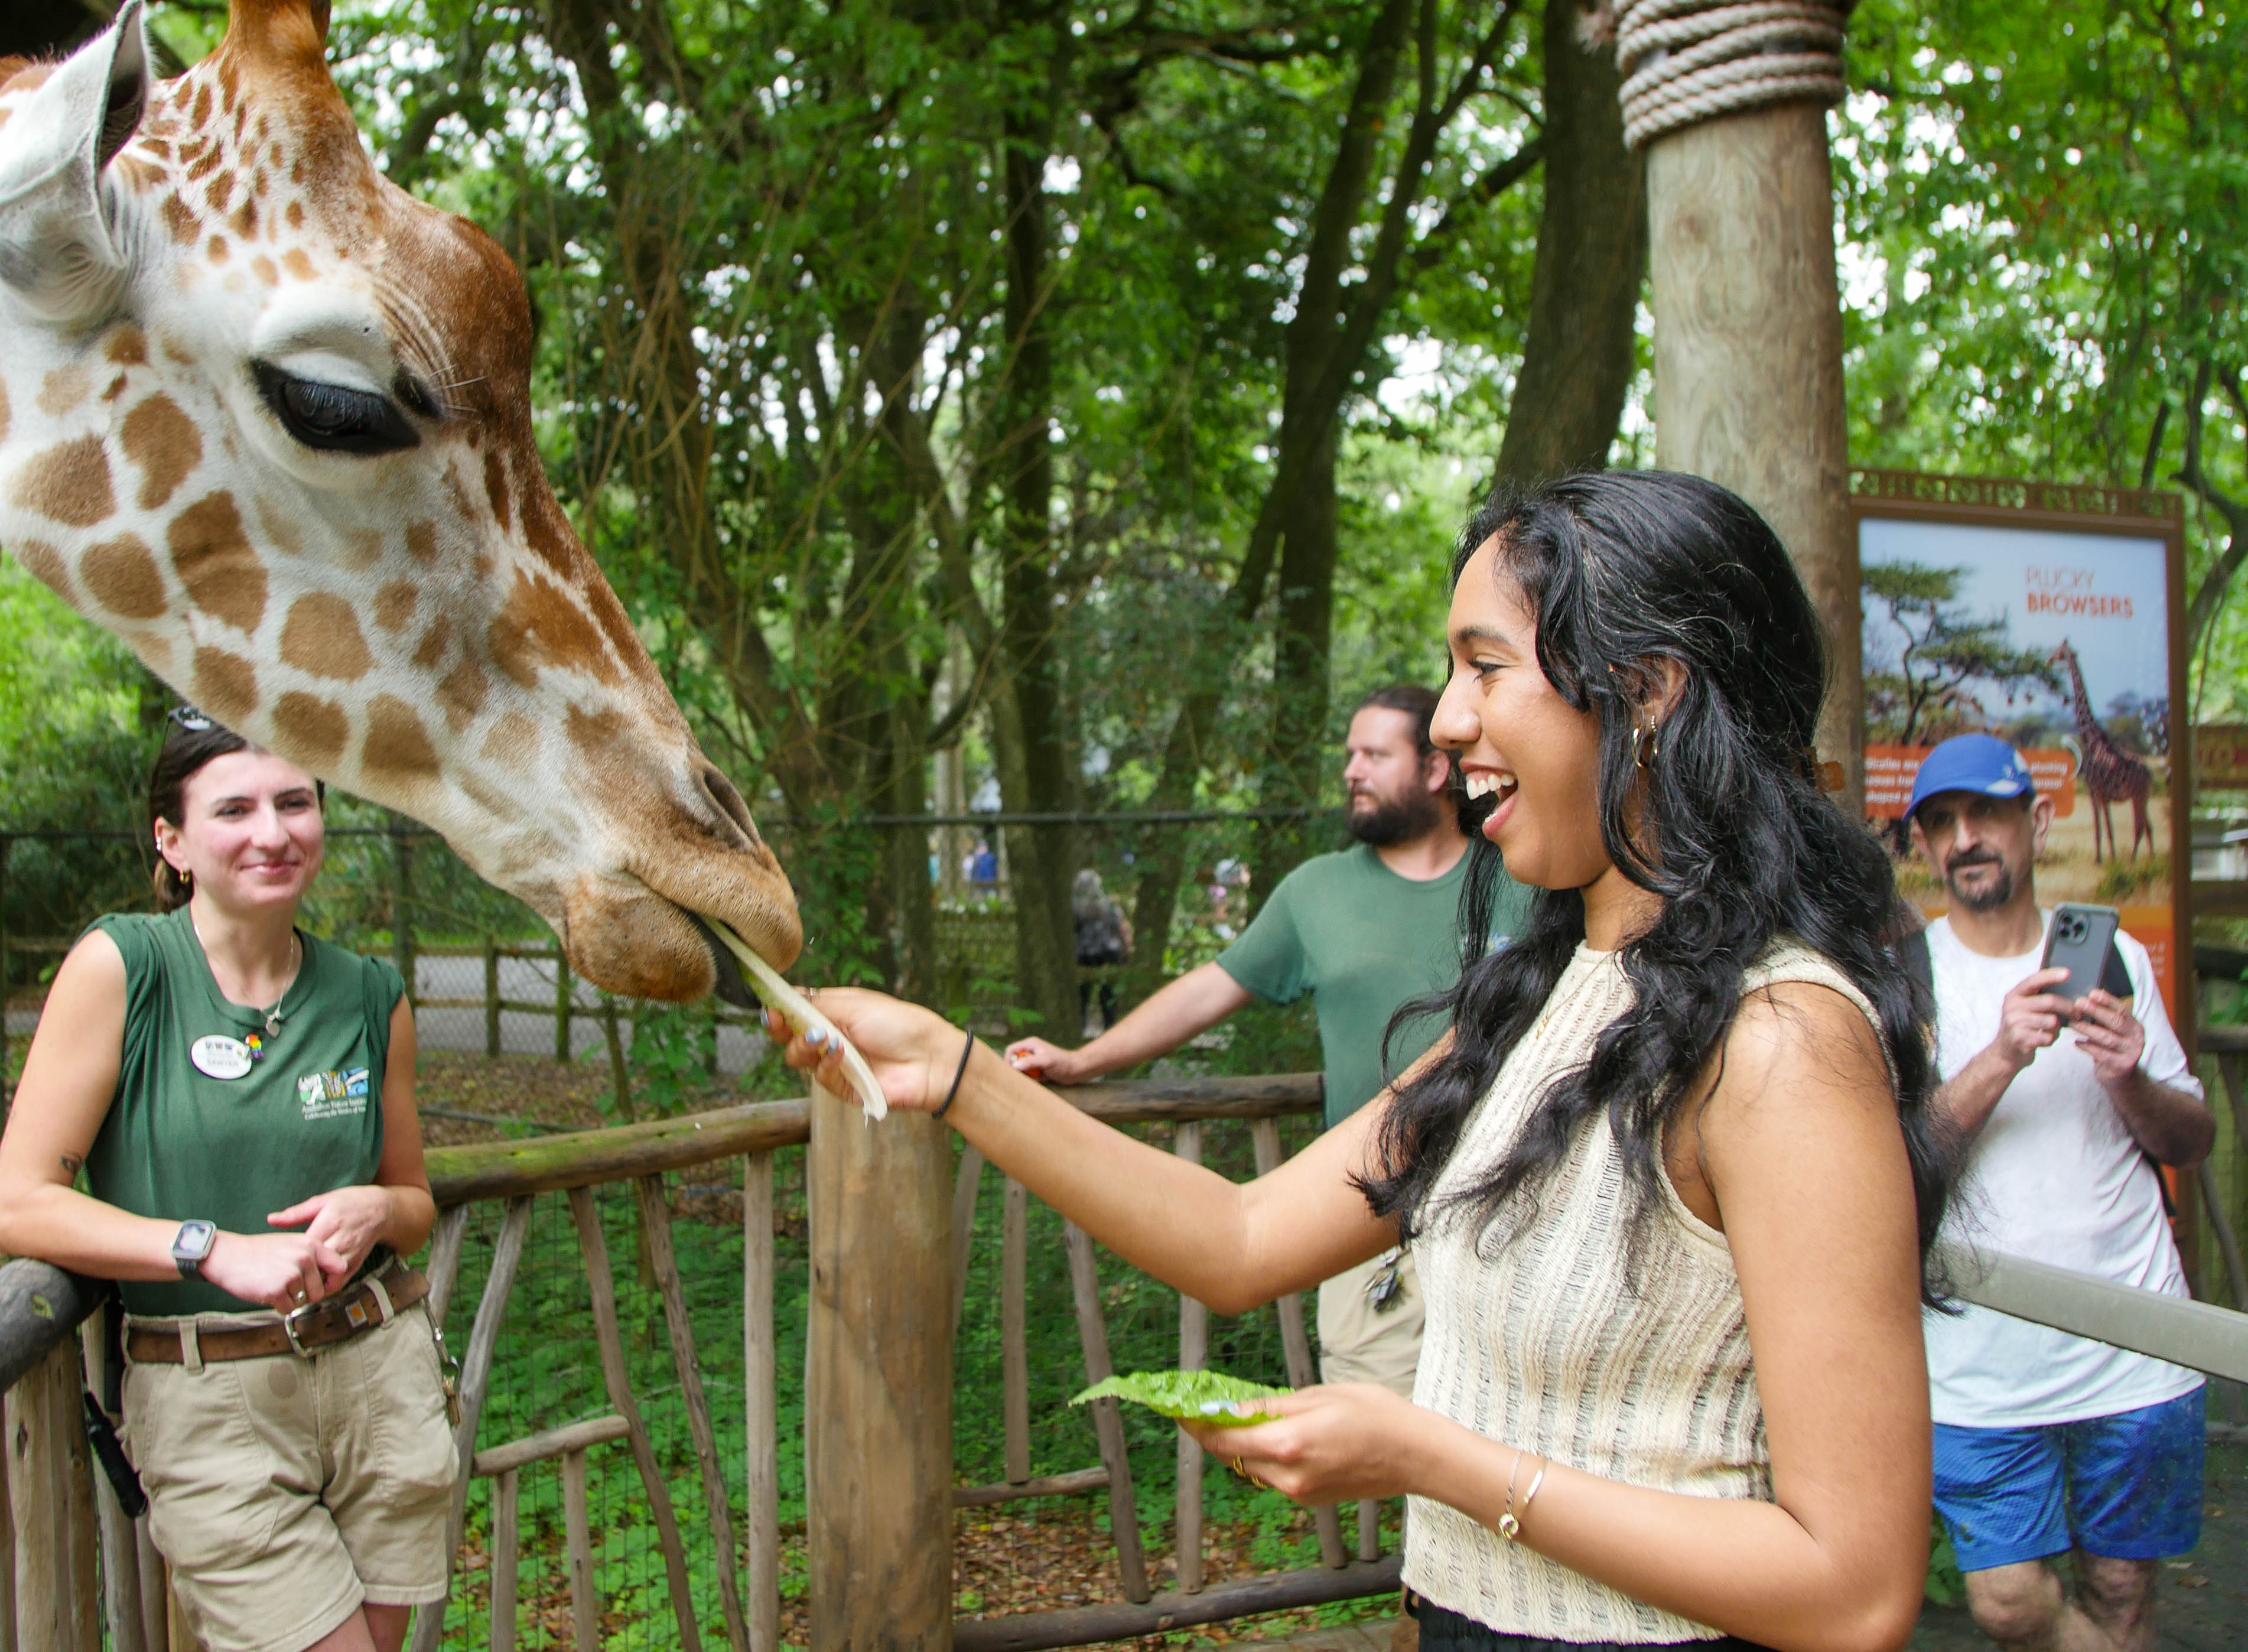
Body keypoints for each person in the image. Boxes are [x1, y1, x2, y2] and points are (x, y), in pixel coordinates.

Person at [770, 470, 1950, 1652]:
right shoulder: (1534, 1000)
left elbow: (1850, 1586)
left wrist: (1429, 1455)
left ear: (1643, 692)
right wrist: (958, 1070)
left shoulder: (1780, 1041)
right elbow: (1237, 1241)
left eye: (1483, 667)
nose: (1443, 720)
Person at [0, 709, 453, 1652]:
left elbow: (415, 1206)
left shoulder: (371, 994)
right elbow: (18, 1203)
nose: (272, 832)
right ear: (173, 839)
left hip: (378, 1380)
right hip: (212, 1398)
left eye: (295, 802)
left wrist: (376, 1209)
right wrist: (209, 1247)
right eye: (233, 809)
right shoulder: (125, 967)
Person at [1010, 687, 1535, 1420]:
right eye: (1349, 754)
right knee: (1376, 1439)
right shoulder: (1313, 892)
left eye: (1374, 755)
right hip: (1371, 1219)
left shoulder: (1520, 874)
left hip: (1512, 1212)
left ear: (1434, 770)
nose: (1351, 770)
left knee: (1507, 1437)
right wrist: (1084, 1060)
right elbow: (1208, 990)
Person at [1903, 734, 2214, 1652]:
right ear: (1922, 848)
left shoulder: (2114, 964)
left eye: (1986, 813)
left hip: (2134, 1346)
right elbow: (1904, 1162)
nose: (1966, 839)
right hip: (1978, 1365)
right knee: (2008, 1605)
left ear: (2036, 823)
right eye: (1942, 824)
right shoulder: (1906, 980)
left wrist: (2129, 1078)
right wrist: (2000, 1054)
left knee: (2122, 1599)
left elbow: (2190, 1141)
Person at [1071, 867, 1133, 1035]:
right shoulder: (1109, 904)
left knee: (1083, 995)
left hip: (1084, 954)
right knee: (1108, 996)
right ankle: (1111, 1030)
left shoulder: (1074, 907)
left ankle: (1080, 1029)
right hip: (1109, 954)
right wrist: (1127, 950)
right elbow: (1122, 928)